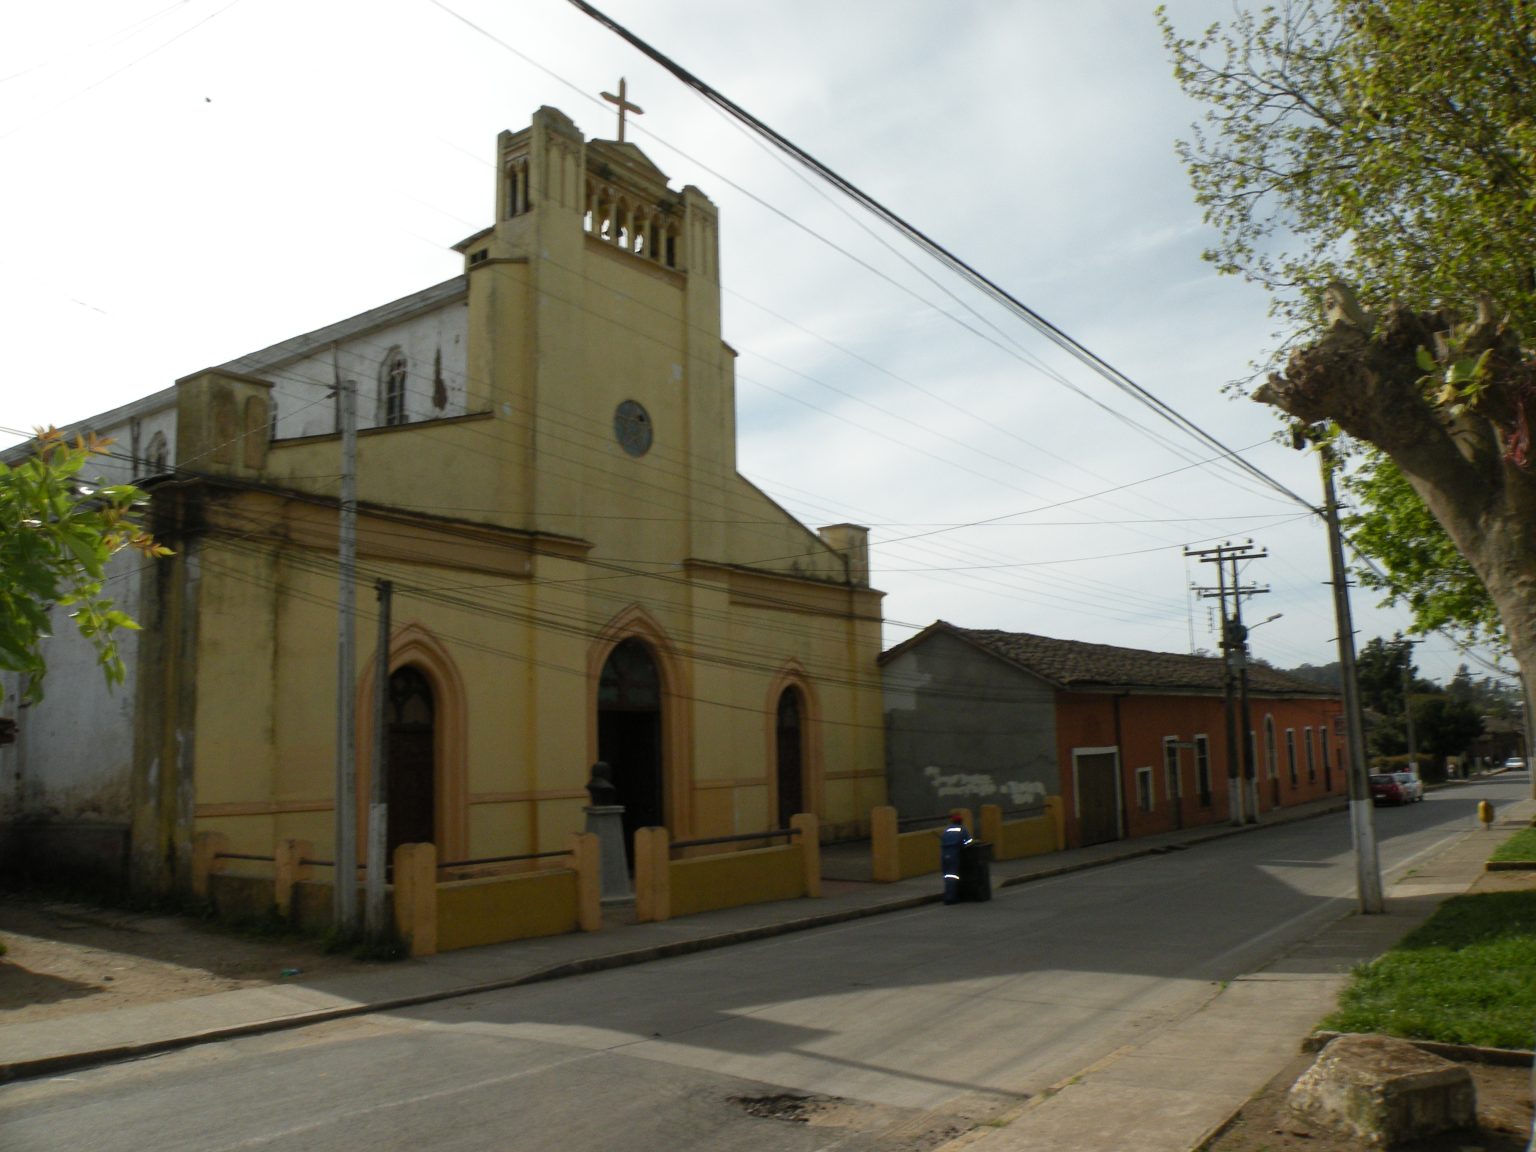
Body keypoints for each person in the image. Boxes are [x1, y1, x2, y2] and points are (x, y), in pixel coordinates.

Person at [940, 811, 971, 904]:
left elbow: (943, 840)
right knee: (953, 876)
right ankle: (951, 898)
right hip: (954, 853)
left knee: (947, 876)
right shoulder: (962, 829)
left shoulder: (947, 829)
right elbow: (968, 843)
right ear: (961, 821)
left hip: (944, 854)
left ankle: (948, 895)